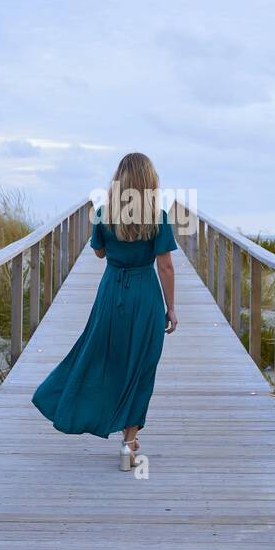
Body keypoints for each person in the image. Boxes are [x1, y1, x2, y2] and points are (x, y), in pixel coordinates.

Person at [31, 152, 179, 470]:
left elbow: (99, 252)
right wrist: (171, 307)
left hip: (111, 292)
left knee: (100, 358)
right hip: (145, 295)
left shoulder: (103, 213)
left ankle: (73, 404)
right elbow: (165, 266)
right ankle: (129, 442)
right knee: (141, 366)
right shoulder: (158, 216)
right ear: (150, 182)